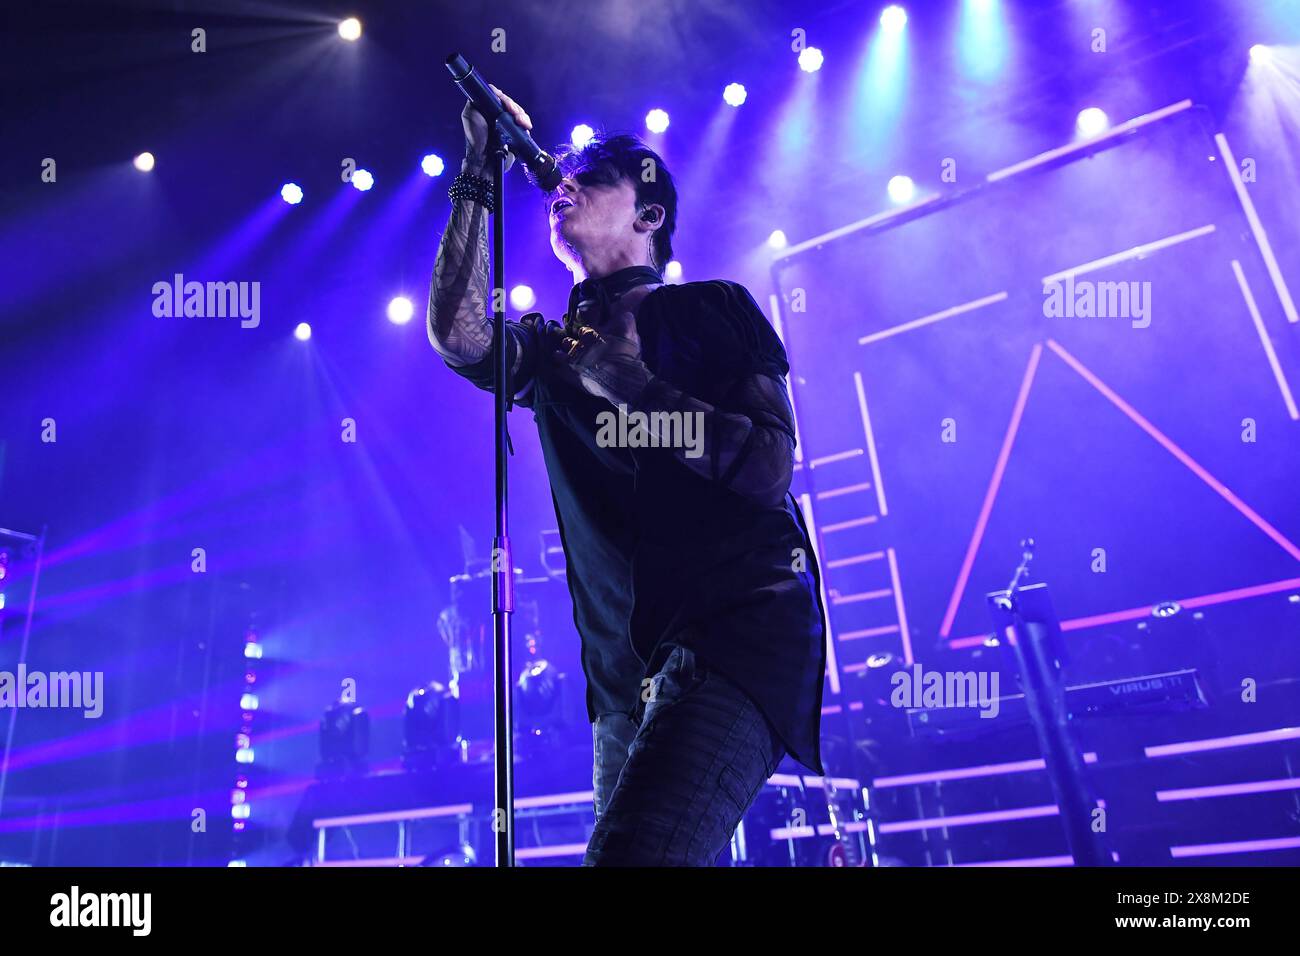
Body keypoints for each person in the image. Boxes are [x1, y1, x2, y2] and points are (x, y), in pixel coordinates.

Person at [428, 86, 827, 866]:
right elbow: (459, 332)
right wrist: (478, 163)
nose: (565, 186)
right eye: (565, 176)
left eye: (598, 176)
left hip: (734, 637)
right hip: (623, 687)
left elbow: (771, 469)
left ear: (649, 218)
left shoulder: (711, 309)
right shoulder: (554, 351)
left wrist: (636, 391)